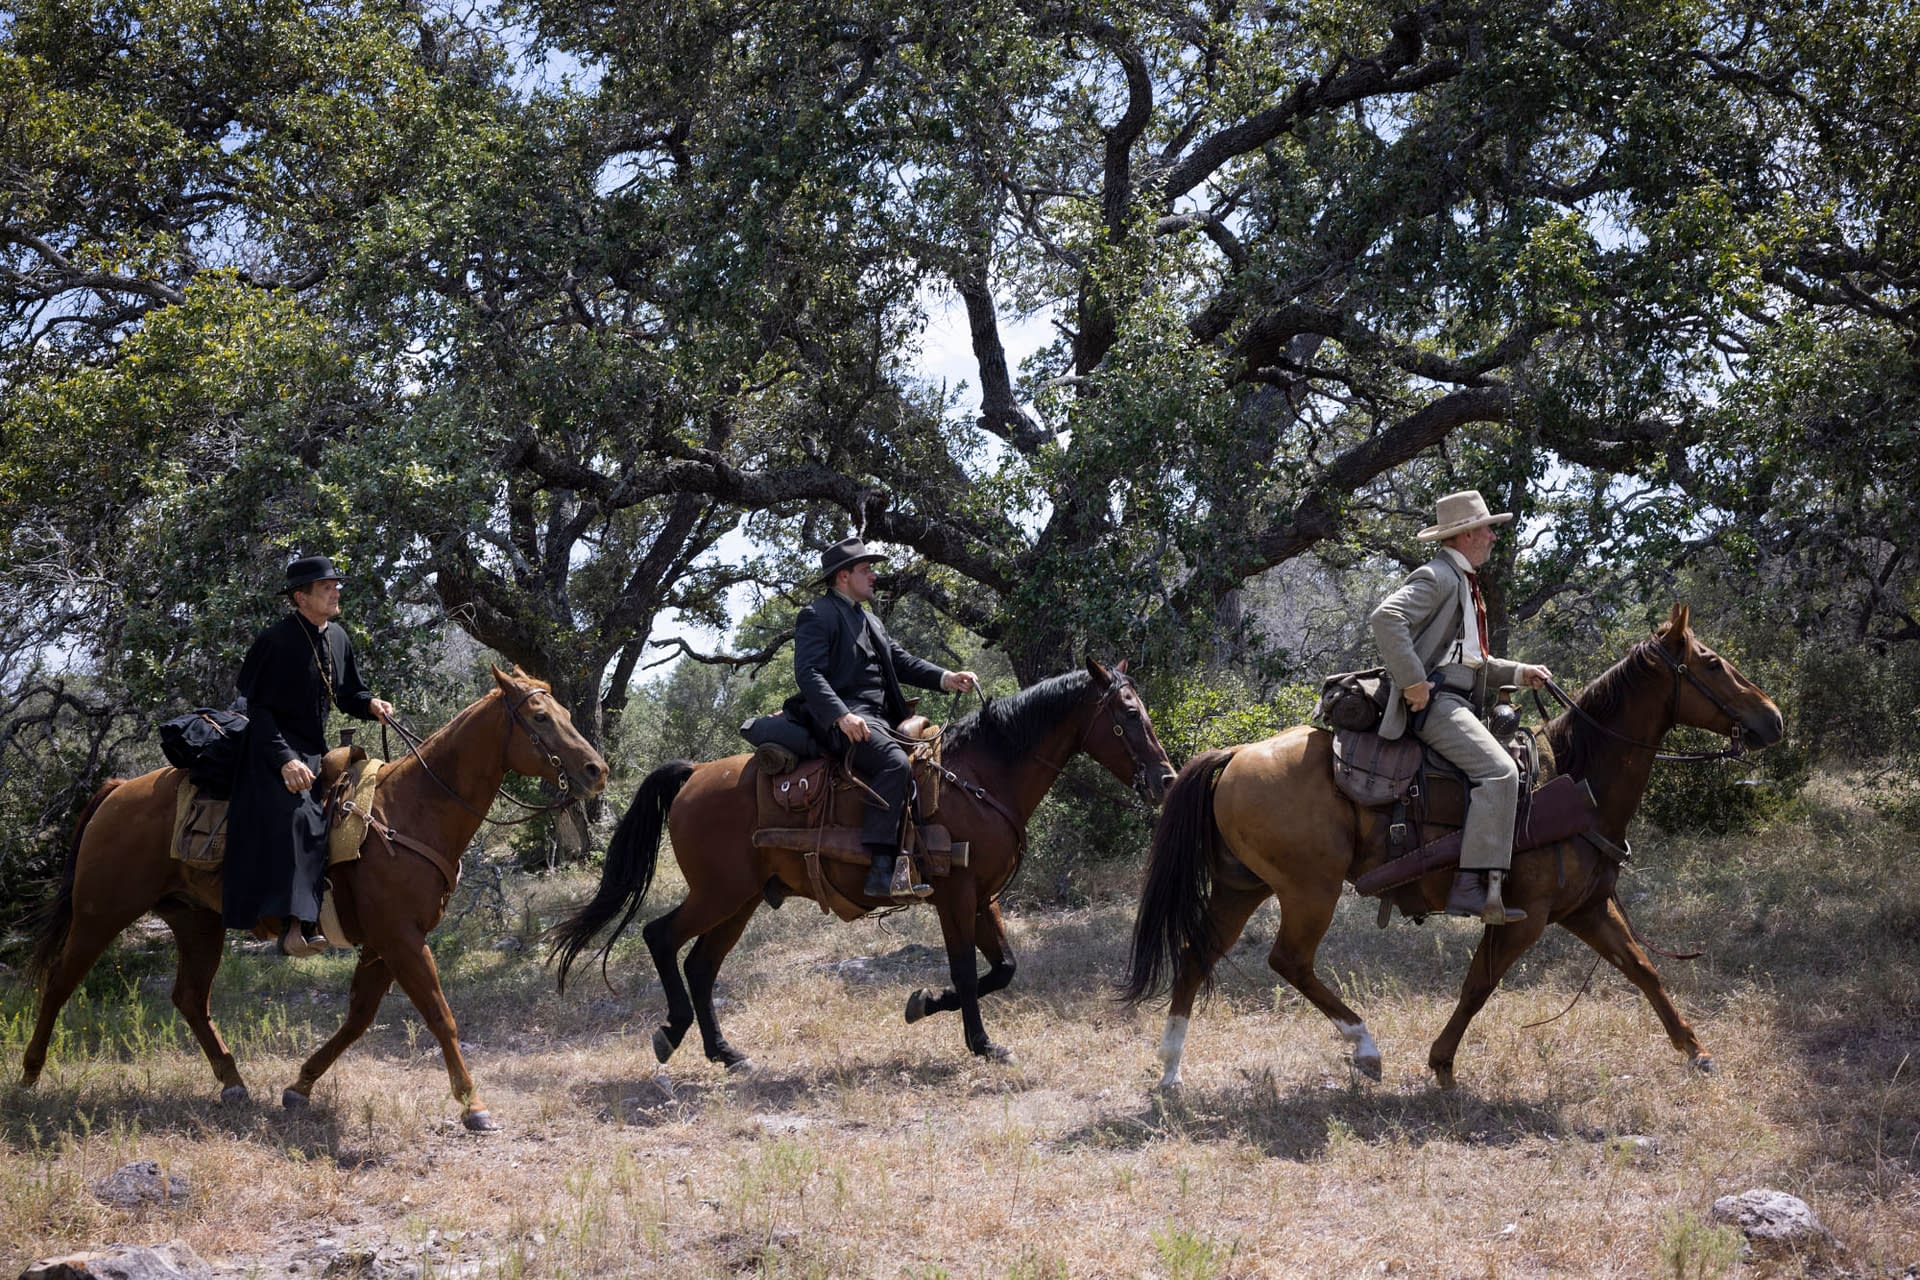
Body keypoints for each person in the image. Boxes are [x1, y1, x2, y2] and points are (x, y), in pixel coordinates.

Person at [1370, 491, 1553, 925]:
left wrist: (1520, 671)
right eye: (1487, 529)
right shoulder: (1439, 576)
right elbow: (1385, 618)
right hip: (1438, 703)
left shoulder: (1463, 582)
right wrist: (1413, 682)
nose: (1493, 536)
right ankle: (1470, 887)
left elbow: (1469, 662)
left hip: (1456, 698)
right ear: (1466, 534)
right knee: (1501, 772)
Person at [783, 537, 978, 901]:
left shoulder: (870, 619)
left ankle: (921, 853)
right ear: (843, 576)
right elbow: (809, 673)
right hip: (842, 721)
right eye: (866, 570)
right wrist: (841, 715)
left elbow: (901, 661)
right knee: (894, 763)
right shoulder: (817, 614)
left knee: (933, 757)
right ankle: (881, 867)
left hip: (879, 719)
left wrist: (947, 677)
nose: (873, 576)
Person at [223, 556, 395, 956]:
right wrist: (284, 759)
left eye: (336, 586)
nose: (336, 593)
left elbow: (349, 693)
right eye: (326, 588)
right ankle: (295, 925)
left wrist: (370, 704)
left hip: (314, 749)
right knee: (302, 814)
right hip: (270, 749)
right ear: (301, 598)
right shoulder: (274, 641)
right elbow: (258, 711)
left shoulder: (338, 637)